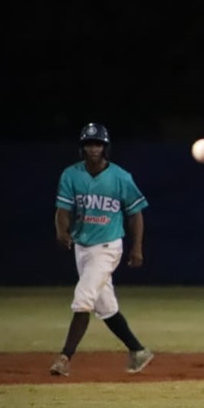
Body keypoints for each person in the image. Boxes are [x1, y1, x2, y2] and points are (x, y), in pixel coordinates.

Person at [49, 123, 155, 377]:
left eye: (98, 144)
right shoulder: (71, 175)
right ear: (82, 148)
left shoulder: (121, 177)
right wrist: (61, 231)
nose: (93, 148)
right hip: (82, 247)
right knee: (105, 306)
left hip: (108, 247)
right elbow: (63, 210)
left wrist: (137, 247)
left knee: (83, 298)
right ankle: (138, 351)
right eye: (89, 144)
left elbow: (135, 214)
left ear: (105, 147)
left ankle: (64, 358)